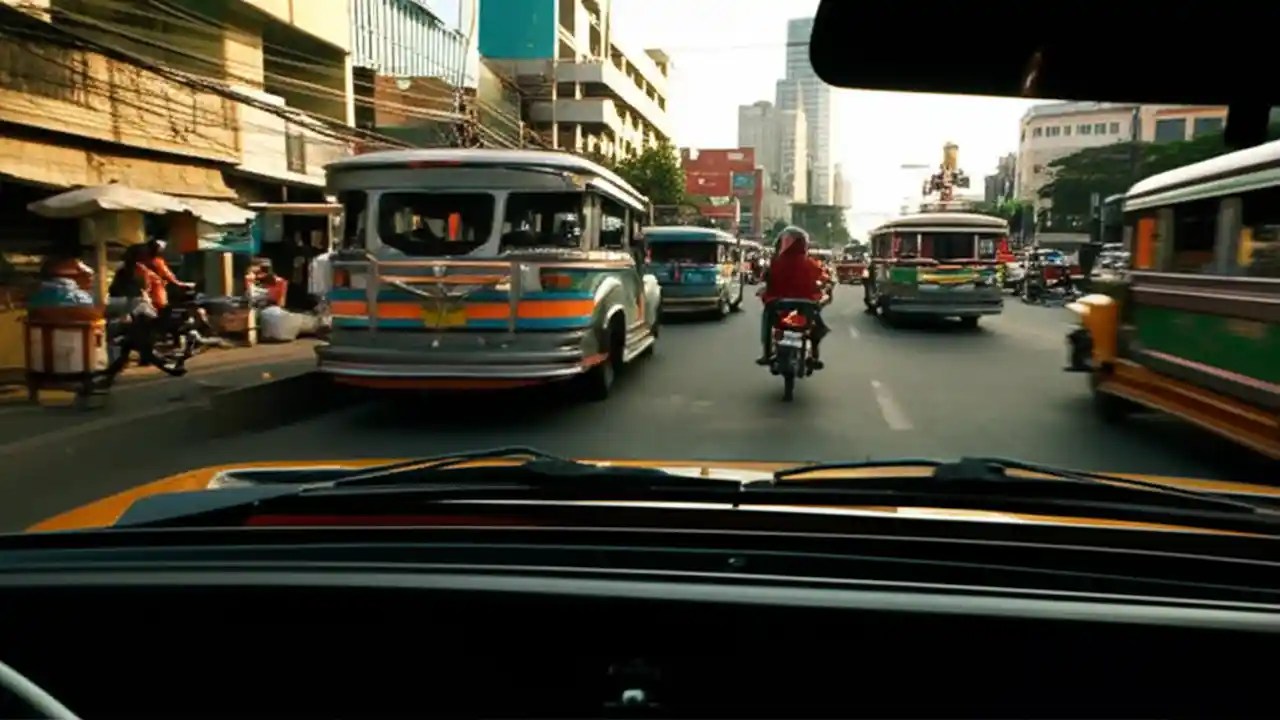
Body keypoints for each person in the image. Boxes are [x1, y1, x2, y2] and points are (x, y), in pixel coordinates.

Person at [756, 226, 830, 368]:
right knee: (816, 323)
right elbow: (823, 278)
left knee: (768, 317)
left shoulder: (776, 262)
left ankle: (766, 353)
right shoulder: (810, 263)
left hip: (778, 303)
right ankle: (814, 355)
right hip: (806, 304)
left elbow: (765, 278)